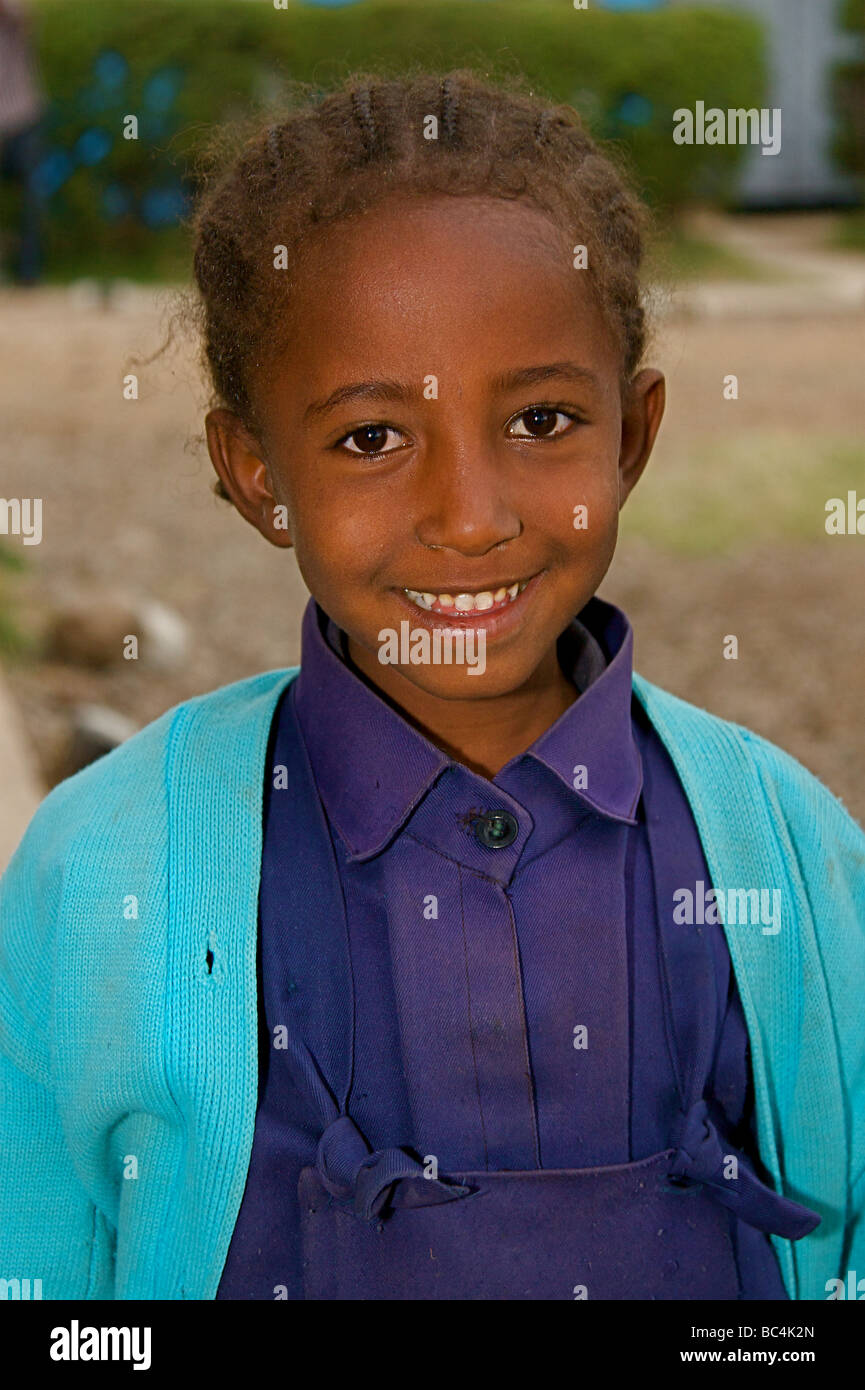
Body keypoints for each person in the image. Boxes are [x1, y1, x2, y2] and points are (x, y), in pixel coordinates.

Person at [1, 70, 863, 1302]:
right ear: (254, 473)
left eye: (543, 419)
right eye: (369, 439)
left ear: (632, 435)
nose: (470, 516)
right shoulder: (102, 872)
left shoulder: (794, 858)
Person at [0, 0, 44, 284]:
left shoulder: (14, 16)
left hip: (23, 116)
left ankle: (29, 274)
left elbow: (23, 12)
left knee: (31, 199)